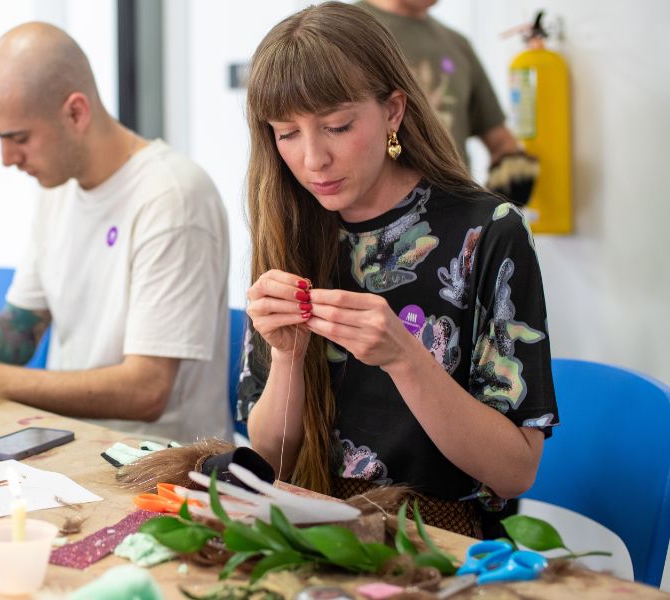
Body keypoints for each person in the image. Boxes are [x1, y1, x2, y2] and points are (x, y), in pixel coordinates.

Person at [237, 2, 557, 538]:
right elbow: (273, 456)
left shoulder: (489, 232)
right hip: (311, 522)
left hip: (439, 538)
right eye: (287, 133)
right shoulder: (289, 224)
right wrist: (288, 358)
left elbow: (515, 470)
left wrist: (406, 358)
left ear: (393, 111)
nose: (313, 159)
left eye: (337, 126)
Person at [0, 22, 232, 443]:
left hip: (159, 468)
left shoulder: (173, 196)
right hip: (71, 444)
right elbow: (18, 334)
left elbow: (146, 391)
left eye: (18, 138)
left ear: (75, 112)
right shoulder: (58, 189)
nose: (6, 158)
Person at [357, 0, 520, 168]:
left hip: (456, 192)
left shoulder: (457, 45)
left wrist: (515, 174)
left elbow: (501, 142)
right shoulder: (345, 34)